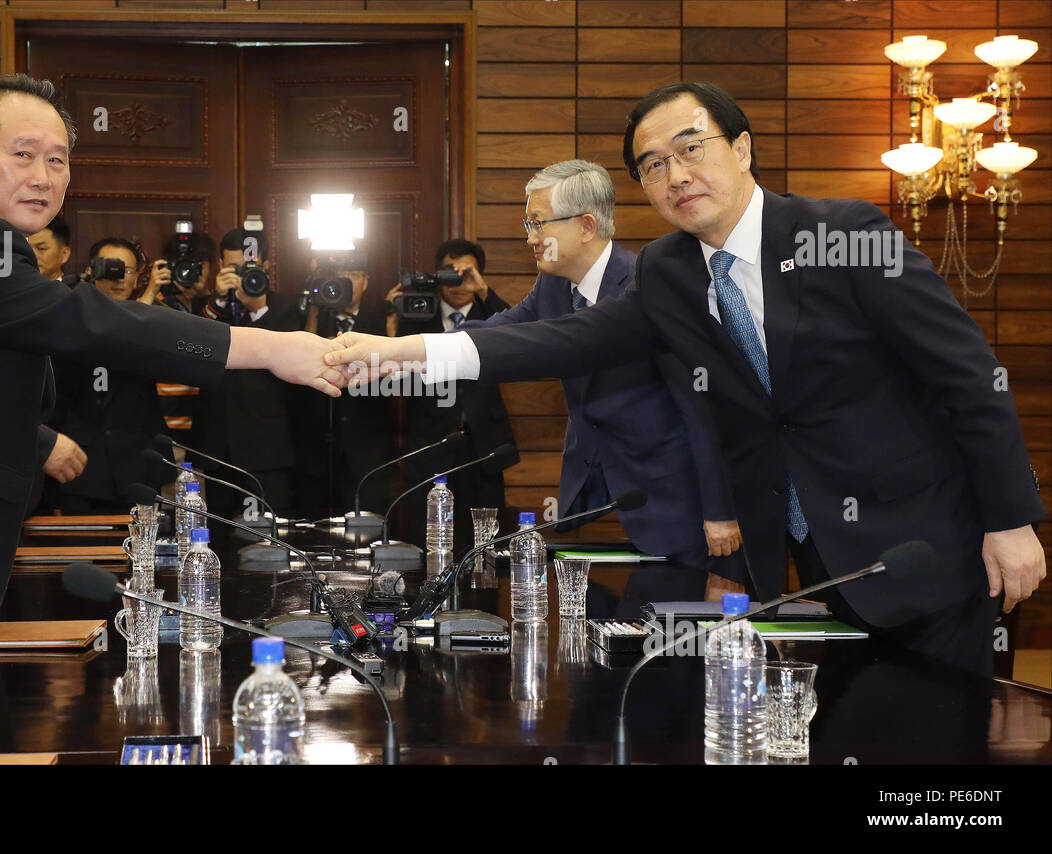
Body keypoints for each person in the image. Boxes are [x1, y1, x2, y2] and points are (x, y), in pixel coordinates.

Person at [327, 82, 1045, 676]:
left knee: (944, 743)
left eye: (689, 149)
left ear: (741, 149)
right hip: (812, 558)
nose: (674, 175)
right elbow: (565, 339)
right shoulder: (670, 271)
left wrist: (1010, 519)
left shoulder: (843, 233)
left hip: (925, 540)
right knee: (848, 729)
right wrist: (407, 353)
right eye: (651, 165)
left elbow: (968, 374)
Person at [0, 74, 346, 719]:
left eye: (58, 160)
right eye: (22, 154)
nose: (44, 176)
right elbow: (96, 323)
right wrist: (272, 347)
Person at [456, 163, 743, 601]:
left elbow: (702, 408)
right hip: (608, 496)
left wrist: (721, 512)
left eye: (538, 223)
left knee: (687, 648)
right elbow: (497, 337)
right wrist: (397, 352)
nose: (530, 237)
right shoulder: (552, 287)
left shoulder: (650, 285)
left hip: (686, 506)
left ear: (586, 225)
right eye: (527, 223)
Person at [389, 239, 518, 546]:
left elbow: (520, 342)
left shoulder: (495, 316)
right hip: (430, 442)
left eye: (466, 273)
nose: (458, 282)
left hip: (484, 446)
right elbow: (398, 376)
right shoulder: (416, 316)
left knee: (487, 543)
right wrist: (391, 321)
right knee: (430, 539)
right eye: (450, 272)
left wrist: (484, 290)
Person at [42, 237, 172, 515]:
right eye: (110, 267)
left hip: (140, 464)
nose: (119, 278)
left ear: (138, 275)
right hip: (80, 467)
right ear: (92, 270)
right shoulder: (66, 313)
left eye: (128, 270)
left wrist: (148, 304)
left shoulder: (153, 319)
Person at [188, 227, 299, 517]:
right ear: (221, 267)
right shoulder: (205, 307)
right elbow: (196, 350)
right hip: (218, 447)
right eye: (233, 267)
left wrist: (258, 310)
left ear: (266, 267)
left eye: (249, 268)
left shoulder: (285, 308)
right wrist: (221, 302)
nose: (241, 275)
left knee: (270, 539)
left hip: (267, 447)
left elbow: (287, 357)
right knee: (217, 535)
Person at [299, 251, 395, 518]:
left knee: (370, 532)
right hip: (315, 452)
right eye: (341, 276)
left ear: (366, 282)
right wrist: (314, 315)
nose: (348, 282)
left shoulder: (382, 320)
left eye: (354, 275)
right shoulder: (309, 319)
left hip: (368, 453)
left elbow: (397, 379)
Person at [26, 215, 70, 281]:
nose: (32, 255)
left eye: (41, 248)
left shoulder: (75, 290)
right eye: (27, 248)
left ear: (64, 254)